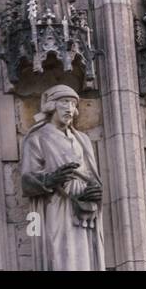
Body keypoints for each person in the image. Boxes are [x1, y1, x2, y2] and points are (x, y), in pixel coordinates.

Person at [20, 84, 104, 270]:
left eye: (74, 104)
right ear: (51, 106)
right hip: (56, 205)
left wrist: (94, 191)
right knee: (61, 256)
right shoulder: (37, 138)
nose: (70, 109)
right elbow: (27, 180)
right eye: (65, 102)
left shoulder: (82, 139)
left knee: (86, 259)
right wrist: (51, 179)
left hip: (84, 209)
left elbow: (92, 176)